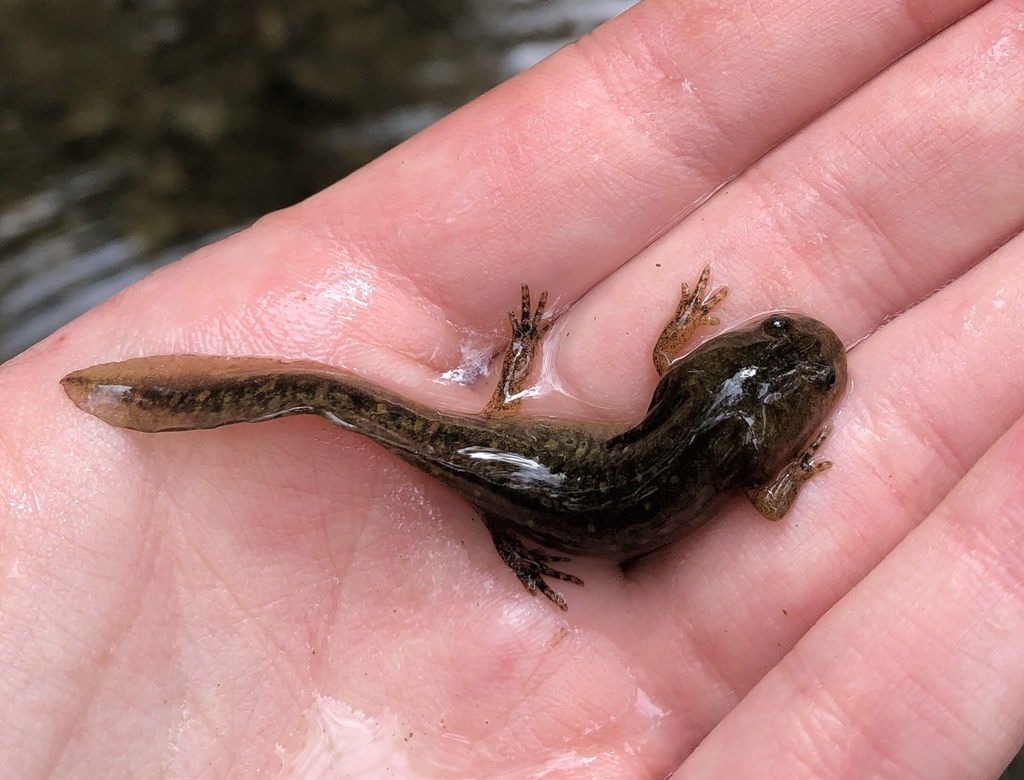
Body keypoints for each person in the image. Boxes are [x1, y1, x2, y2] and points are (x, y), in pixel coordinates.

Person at [3, 0, 1023, 776]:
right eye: (776, 337)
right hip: (542, 494)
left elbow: (693, 401)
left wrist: (587, 345)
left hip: (535, 478)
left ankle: (493, 516)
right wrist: (795, 468)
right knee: (412, 431)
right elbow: (768, 500)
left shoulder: (689, 398)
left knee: (438, 436)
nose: (789, 338)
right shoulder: (743, 458)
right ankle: (495, 524)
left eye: (792, 352)